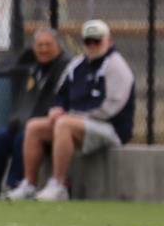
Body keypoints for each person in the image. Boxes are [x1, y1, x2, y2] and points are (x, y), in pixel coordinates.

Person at [11, 18, 136, 202]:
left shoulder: (116, 66)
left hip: (111, 128)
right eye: (88, 41)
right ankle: (29, 183)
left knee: (64, 124)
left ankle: (59, 185)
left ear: (108, 40)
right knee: (34, 127)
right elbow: (60, 94)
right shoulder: (77, 65)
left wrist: (73, 115)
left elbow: (111, 108)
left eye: (97, 40)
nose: (92, 45)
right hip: (78, 123)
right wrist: (57, 109)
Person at [0, 28, 75, 199]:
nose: (43, 49)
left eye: (48, 45)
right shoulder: (34, 67)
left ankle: (17, 184)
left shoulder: (66, 68)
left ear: (58, 46)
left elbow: (59, 101)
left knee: (23, 137)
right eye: (40, 45)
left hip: (49, 124)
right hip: (27, 121)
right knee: (1, 137)